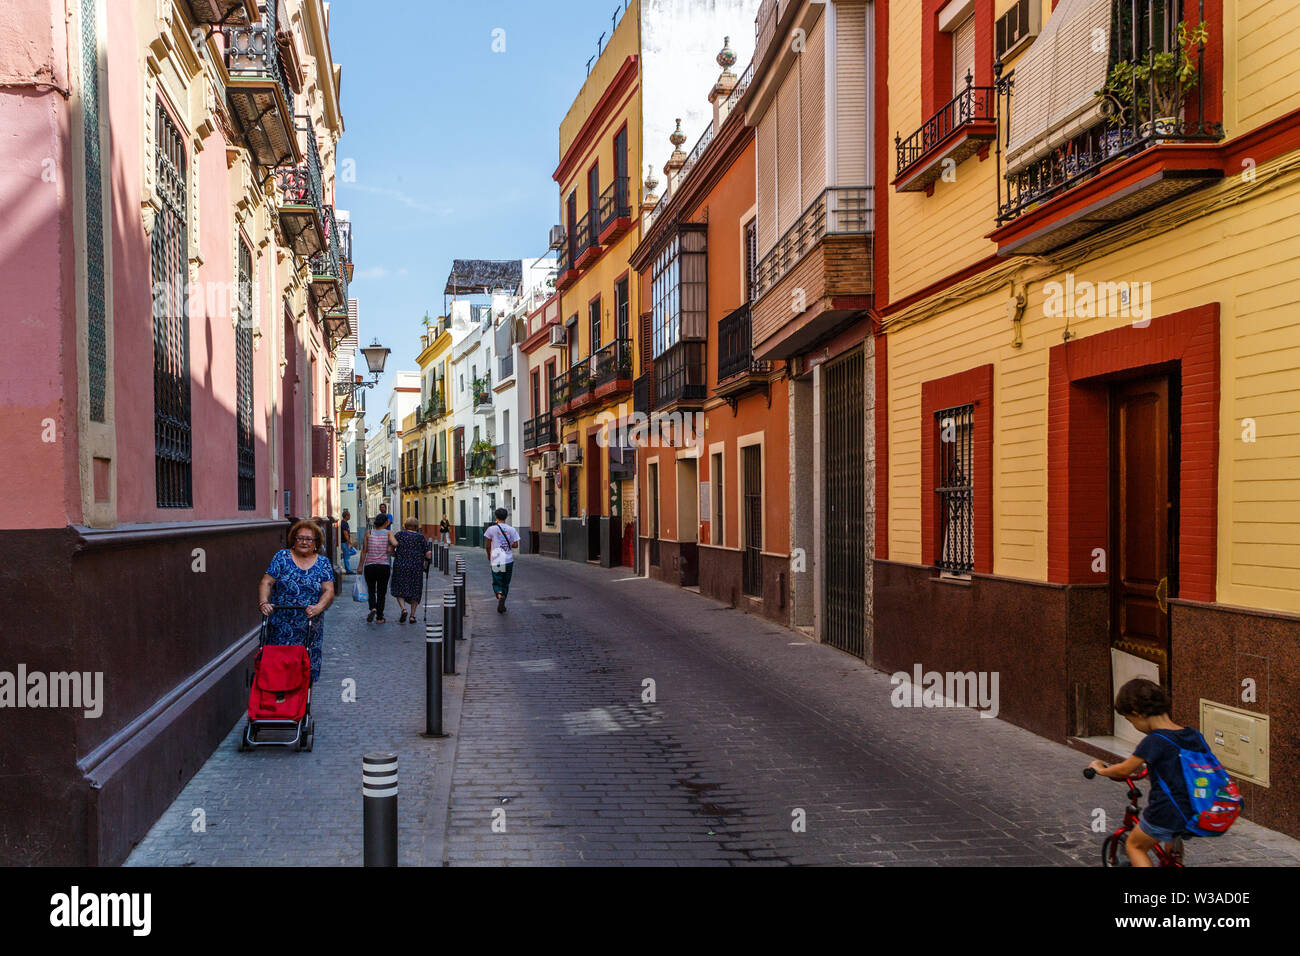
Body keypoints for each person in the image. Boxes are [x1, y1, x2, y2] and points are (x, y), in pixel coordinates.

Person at [1087, 678, 1202, 867]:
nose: (1133, 725)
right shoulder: (1192, 734)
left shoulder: (1154, 740)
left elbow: (1125, 769)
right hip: (1195, 806)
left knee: (1135, 846)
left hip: (1166, 810)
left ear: (1137, 714)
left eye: (1130, 720)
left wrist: (1101, 769)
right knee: (1171, 847)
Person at [258, 520, 335, 682]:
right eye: (300, 538)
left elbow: (329, 590)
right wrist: (264, 602)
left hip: (309, 625)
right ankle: (280, 704)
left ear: (316, 543)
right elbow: (267, 582)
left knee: (306, 671)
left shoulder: (323, 563)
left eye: (309, 539)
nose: (304, 542)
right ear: (293, 540)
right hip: (281, 625)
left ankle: (303, 706)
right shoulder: (282, 557)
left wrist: (318, 607)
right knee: (279, 668)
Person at [390, 516, 432, 624]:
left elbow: (390, 549)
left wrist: (396, 555)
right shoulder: (420, 537)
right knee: (415, 589)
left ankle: (403, 609)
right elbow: (428, 553)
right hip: (416, 567)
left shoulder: (399, 535)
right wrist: (426, 565)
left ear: (405, 525)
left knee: (399, 587)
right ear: (416, 527)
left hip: (401, 565)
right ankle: (412, 616)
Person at [483, 507, 520, 614]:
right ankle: (503, 599)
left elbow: (487, 545)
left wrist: (489, 555)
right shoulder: (512, 529)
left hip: (497, 558)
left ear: (496, 517)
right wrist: (507, 542)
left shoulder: (491, 529)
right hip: (508, 559)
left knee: (497, 580)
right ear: (506, 517)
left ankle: (499, 595)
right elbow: (516, 545)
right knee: (505, 582)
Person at [361, 514, 394, 623]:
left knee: (371, 590)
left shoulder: (368, 533)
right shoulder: (388, 533)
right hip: (383, 566)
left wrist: (360, 566)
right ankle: (380, 617)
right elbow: (395, 543)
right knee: (381, 592)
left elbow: (364, 550)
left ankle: (373, 608)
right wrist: (391, 547)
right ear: (385, 523)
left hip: (370, 566)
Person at [340, 509, 355, 574]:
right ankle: (348, 570)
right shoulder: (344, 523)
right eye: (349, 515)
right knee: (347, 557)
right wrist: (349, 543)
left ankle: (341, 556)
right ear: (346, 516)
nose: (350, 516)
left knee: (354, 551)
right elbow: (345, 534)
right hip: (344, 542)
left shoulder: (345, 523)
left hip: (345, 542)